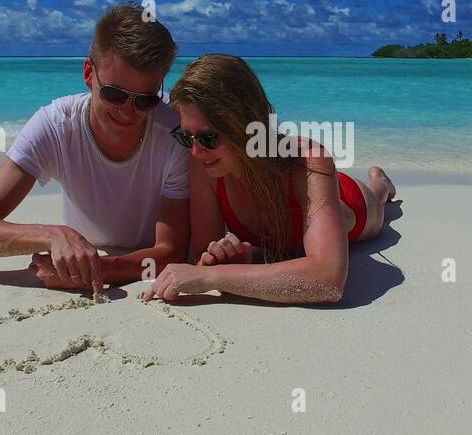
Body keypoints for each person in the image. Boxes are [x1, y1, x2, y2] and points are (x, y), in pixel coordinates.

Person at [0, 2, 189, 297]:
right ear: (89, 73)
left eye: (145, 100)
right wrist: (51, 235)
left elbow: (171, 252)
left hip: (125, 264)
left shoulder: (174, 134)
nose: (128, 112)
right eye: (115, 95)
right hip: (91, 256)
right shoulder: (55, 125)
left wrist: (96, 272)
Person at [142, 53, 394, 305]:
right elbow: (202, 256)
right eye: (187, 137)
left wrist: (213, 276)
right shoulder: (202, 164)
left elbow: (328, 280)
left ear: (243, 125)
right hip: (317, 195)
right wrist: (223, 258)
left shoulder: (306, 161)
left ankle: (381, 181)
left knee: (377, 197)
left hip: (351, 203)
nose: (195, 151)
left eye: (208, 138)